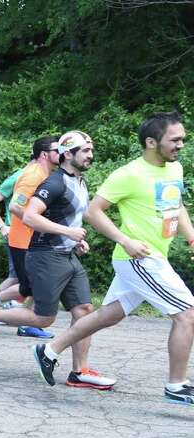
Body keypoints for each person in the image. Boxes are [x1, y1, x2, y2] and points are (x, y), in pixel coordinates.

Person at [34, 112, 194, 404]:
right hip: (140, 258)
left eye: (183, 139)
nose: (181, 144)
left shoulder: (175, 169)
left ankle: (49, 350)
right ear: (150, 142)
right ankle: (177, 385)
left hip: (155, 256)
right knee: (187, 314)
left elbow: (177, 205)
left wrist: (192, 237)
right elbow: (93, 211)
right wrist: (125, 240)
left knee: (110, 314)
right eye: (175, 139)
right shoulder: (129, 174)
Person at [0, 132, 115, 389]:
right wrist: (68, 233)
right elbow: (29, 216)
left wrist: (75, 240)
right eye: (85, 150)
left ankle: (79, 371)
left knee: (84, 311)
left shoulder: (80, 181)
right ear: (68, 154)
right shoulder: (53, 183)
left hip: (67, 254)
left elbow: (69, 217)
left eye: (91, 150)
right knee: (44, 318)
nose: (90, 155)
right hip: (45, 255)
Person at [0, 136, 61, 339]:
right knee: (27, 284)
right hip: (22, 238)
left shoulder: (44, 173)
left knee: (28, 283)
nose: (62, 153)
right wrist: (2, 226)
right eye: (57, 150)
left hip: (33, 238)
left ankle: (15, 317)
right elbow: (7, 204)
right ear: (43, 154)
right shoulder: (28, 175)